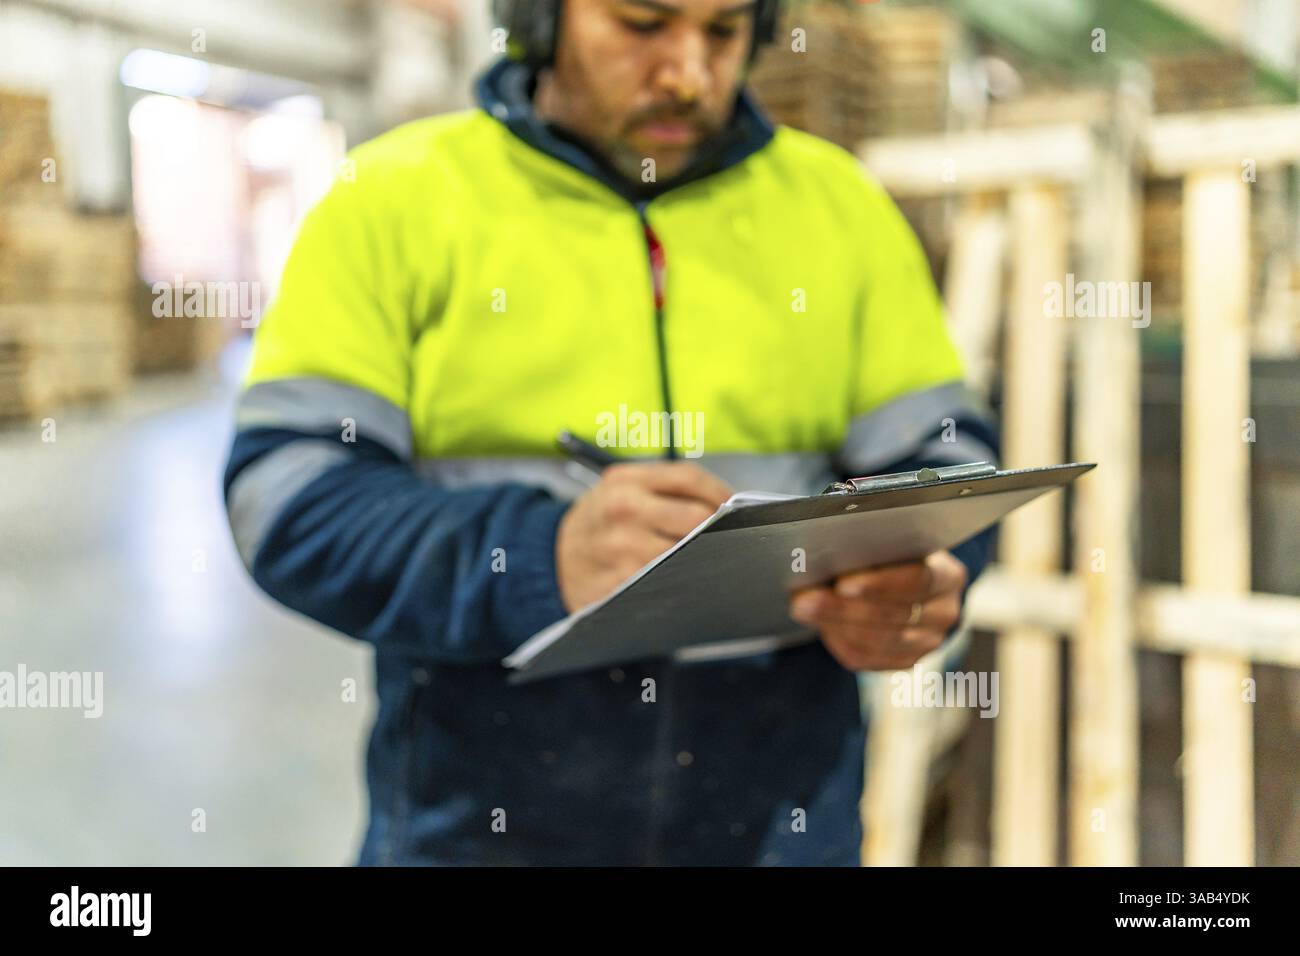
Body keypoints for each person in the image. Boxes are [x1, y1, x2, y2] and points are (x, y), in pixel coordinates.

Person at [223, 0, 999, 866]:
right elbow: (285, 499)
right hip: (479, 820)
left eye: (722, 31)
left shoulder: (840, 206)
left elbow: (948, 453)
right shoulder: (394, 200)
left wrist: (915, 574)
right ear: (538, 18)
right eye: (642, 24)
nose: (689, 74)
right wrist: (533, 556)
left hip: (782, 818)